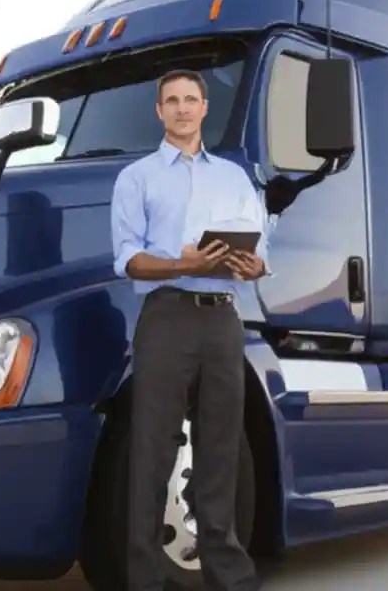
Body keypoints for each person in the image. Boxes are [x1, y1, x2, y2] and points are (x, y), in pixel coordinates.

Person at [110, 68, 270, 590]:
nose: (182, 108)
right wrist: (181, 264)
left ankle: (230, 576)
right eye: (171, 100)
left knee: (220, 448)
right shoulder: (136, 178)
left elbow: (258, 249)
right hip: (166, 317)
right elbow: (129, 258)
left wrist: (254, 267)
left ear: (205, 108)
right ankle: (144, 579)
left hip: (223, 319)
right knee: (152, 451)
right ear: (160, 111)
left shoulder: (234, 177)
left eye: (191, 99)